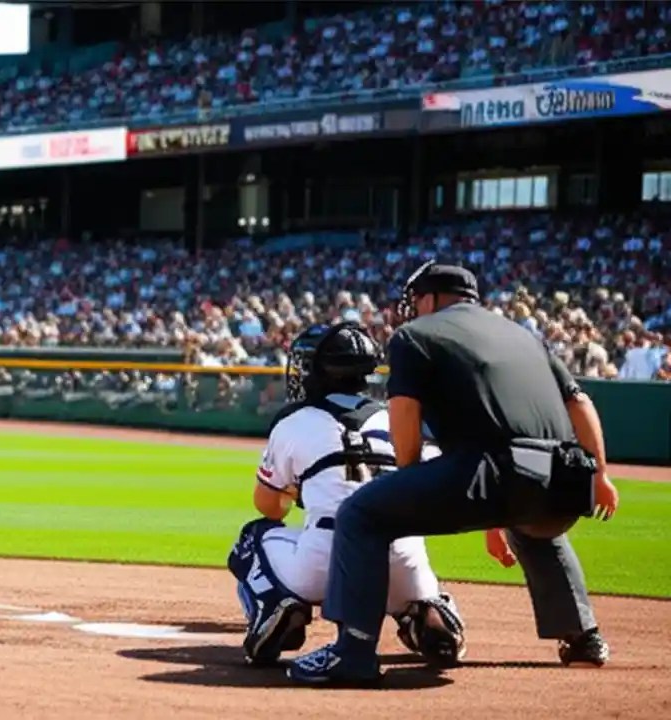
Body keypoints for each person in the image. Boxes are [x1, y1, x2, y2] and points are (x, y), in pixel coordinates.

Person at [289, 262, 620, 687]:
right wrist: (601, 474)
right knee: (536, 524)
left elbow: (404, 413)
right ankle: (584, 638)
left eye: (417, 301)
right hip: (563, 487)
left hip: (489, 473)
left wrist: (404, 485)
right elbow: (580, 405)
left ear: (430, 298)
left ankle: (351, 652)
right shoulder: (524, 336)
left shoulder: (415, 336)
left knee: (362, 512)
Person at [228, 321, 465, 668]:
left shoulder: (294, 422)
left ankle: (278, 609)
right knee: (405, 555)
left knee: (253, 536)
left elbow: (268, 507)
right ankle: (425, 609)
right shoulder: (396, 419)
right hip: (401, 559)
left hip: (323, 561)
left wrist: (303, 488)